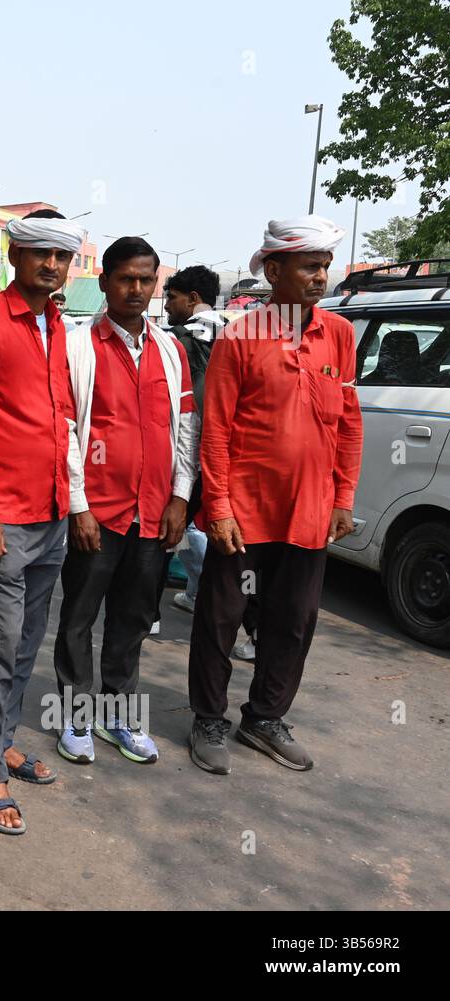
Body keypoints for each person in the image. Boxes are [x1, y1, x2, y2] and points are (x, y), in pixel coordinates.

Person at [188, 215, 362, 775]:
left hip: (309, 514)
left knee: (293, 620)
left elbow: (349, 422)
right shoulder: (241, 336)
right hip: (244, 513)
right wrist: (216, 506)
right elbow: (214, 429)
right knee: (222, 617)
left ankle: (264, 718)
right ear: (274, 269)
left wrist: (343, 498)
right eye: (310, 265)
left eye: (326, 265)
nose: (321, 276)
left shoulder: (337, 335)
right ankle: (208, 720)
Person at [0, 211, 87, 834]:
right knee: (0, 648)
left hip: (51, 512)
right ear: (16, 256)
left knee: (27, 645)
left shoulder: (58, 325)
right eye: (39, 254)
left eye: (62, 256)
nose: (51, 265)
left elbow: (62, 423)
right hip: (3, 517)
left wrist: (73, 502)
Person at [55, 237, 198, 767]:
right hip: (98, 511)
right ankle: (73, 717)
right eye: (125, 279)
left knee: (134, 619)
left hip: (153, 512)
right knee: (78, 617)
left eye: (146, 279)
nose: (136, 289)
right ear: (105, 283)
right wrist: (78, 506)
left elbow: (185, 428)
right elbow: (65, 428)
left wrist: (181, 496)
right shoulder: (78, 347)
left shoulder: (170, 350)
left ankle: (117, 717)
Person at [162, 266, 224, 614]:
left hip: (189, 446)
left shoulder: (179, 338)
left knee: (174, 523)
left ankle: (149, 616)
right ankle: (204, 592)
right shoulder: (241, 331)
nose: (168, 305)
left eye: (172, 298)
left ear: (193, 299)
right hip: (227, 448)